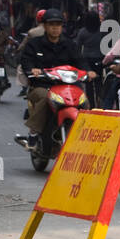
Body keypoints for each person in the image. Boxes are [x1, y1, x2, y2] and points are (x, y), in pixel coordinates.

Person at [18, 10, 87, 145]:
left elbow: (80, 61)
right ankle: (33, 134)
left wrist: (88, 72)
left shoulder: (70, 45)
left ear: (62, 27)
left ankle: (85, 132)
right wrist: (32, 70)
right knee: (46, 97)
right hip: (42, 85)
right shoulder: (34, 44)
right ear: (44, 26)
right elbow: (26, 61)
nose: (55, 28)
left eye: (58, 24)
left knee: (83, 99)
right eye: (51, 24)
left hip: (68, 86)